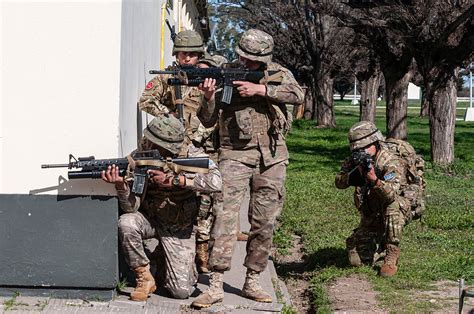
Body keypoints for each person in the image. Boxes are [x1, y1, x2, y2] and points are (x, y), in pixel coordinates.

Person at [192, 29, 304, 308]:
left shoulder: (279, 73)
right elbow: (206, 120)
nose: (251, 64)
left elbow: (298, 95)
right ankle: (216, 283)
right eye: (247, 59)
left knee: (265, 221)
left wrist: (262, 89)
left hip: (273, 156)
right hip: (234, 155)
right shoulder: (225, 72)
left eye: (257, 61)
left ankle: (253, 279)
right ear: (239, 54)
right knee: (224, 219)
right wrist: (207, 97)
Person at [101, 115, 222, 301]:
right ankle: (144, 277)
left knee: (181, 292)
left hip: (180, 228)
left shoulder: (191, 153)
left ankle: (161, 258)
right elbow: (131, 207)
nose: (151, 146)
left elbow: (217, 182)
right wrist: (120, 186)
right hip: (151, 220)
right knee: (127, 223)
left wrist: (176, 180)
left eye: (157, 144)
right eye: (150, 141)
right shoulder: (140, 157)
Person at [334, 121, 412, 277]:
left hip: (396, 208)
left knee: (392, 205)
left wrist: (374, 180)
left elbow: (390, 194)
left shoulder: (390, 162)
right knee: (358, 262)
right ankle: (376, 247)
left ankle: (391, 252)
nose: (361, 152)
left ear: (376, 143)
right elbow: (338, 182)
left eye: (365, 147)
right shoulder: (355, 159)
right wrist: (352, 177)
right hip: (372, 212)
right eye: (357, 149)